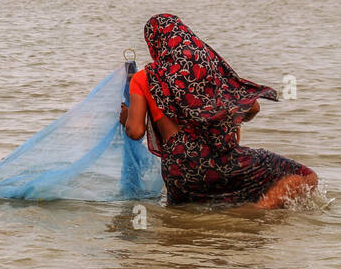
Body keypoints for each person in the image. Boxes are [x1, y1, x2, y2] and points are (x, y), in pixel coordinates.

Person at [119, 13, 317, 208]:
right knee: (306, 176)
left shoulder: (144, 77)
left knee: (179, 227)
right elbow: (253, 107)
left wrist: (128, 118)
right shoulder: (210, 69)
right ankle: (258, 211)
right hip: (222, 161)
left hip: (179, 172)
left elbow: (135, 131)